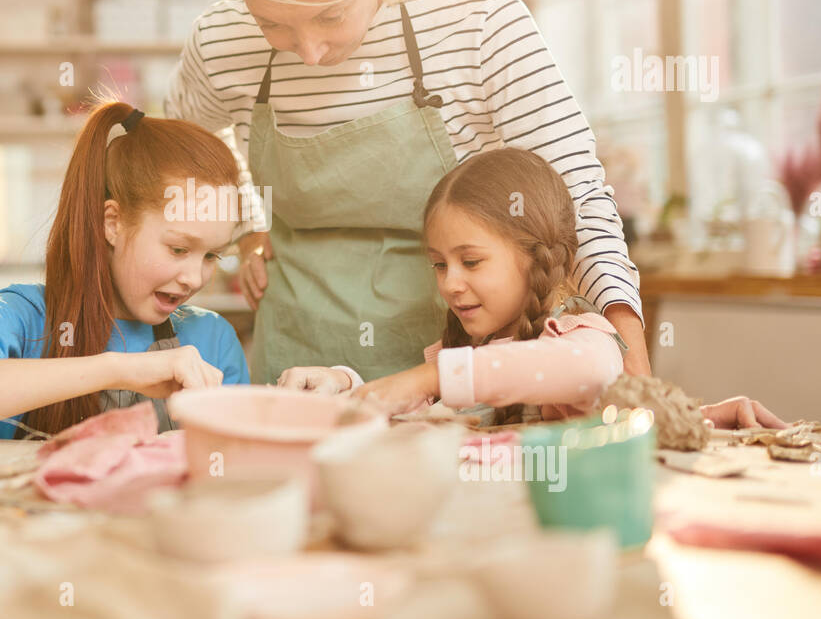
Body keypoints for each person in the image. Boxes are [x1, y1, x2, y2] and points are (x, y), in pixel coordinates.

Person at [165, 0, 651, 387]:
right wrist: (248, 225)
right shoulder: (223, 40)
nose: (310, 52)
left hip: (469, 361)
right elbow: (184, 149)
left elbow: (576, 196)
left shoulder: (477, 17)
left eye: (330, 14)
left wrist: (626, 348)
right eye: (274, 25)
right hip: (301, 361)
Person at [280, 148, 785, 430]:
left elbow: (589, 369)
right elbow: (413, 417)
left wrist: (427, 378)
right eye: (439, 265)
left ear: (535, 254)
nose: (451, 284)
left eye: (471, 261)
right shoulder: (475, 349)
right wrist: (344, 386)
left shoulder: (581, 334)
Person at [0, 100, 250, 438]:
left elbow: (236, 461)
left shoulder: (213, 339)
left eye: (212, 256)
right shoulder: (27, 317)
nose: (194, 278)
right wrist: (117, 369)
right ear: (112, 222)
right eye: (178, 249)